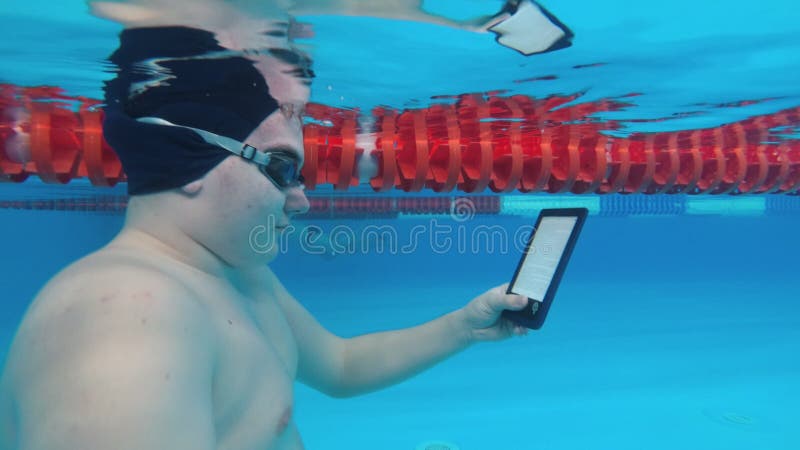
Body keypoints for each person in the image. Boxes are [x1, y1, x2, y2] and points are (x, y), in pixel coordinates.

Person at [0, 7, 531, 450]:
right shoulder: (122, 318)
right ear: (192, 158)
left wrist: (466, 327)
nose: (300, 200)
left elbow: (341, 367)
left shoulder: (230, 276)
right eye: (281, 169)